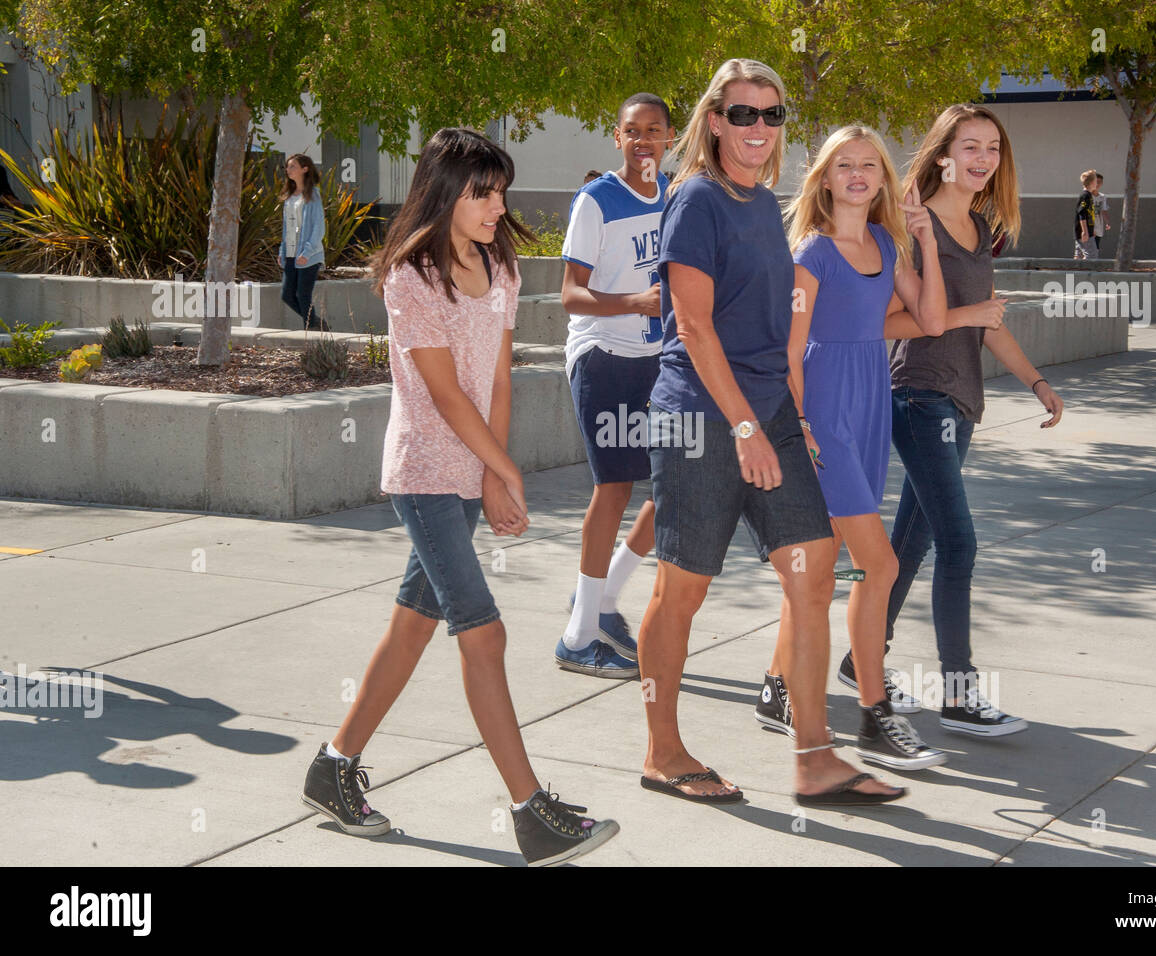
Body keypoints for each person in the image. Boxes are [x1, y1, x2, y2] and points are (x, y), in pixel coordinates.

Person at [300, 128, 618, 866]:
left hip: (468, 473)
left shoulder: (499, 265)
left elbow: (498, 381)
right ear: (445, 193)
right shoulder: (411, 280)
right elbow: (444, 395)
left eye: (500, 191)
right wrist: (501, 471)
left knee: (412, 627)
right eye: (484, 192)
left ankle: (333, 767)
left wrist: (493, 474)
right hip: (422, 475)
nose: (498, 206)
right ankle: (529, 811)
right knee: (484, 632)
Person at [638, 58, 905, 807]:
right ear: (715, 121)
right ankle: (663, 751)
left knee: (814, 568)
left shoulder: (759, 202)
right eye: (743, 114)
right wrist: (746, 425)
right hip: (700, 416)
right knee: (683, 587)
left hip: (767, 413)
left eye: (772, 114)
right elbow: (690, 325)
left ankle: (815, 757)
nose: (759, 128)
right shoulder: (696, 200)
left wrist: (785, 419)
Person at [759, 126, 1006, 771]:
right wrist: (804, 425)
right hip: (825, 416)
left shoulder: (883, 242)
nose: (860, 174)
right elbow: (791, 347)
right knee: (882, 565)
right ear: (824, 176)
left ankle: (775, 686)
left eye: (871, 164)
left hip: (870, 406)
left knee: (825, 562)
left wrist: (923, 238)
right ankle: (875, 714)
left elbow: (925, 321)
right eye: (846, 164)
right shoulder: (811, 253)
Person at [838, 104, 1064, 739]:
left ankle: (861, 660)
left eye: (992, 147)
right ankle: (961, 695)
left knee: (912, 544)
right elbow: (881, 324)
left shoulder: (978, 224)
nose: (983, 157)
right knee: (959, 542)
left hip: (961, 403)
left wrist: (1037, 381)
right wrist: (966, 318)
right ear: (942, 154)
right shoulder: (914, 224)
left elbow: (986, 320)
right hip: (918, 398)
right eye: (970, 146)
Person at [555, 94, 676, 678]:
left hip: (661, 360)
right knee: (615, 489)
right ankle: (577, 639)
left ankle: (601, 599)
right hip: (603, 357)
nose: (643, 140)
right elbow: (570, 294)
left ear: (670, 137)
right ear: (617, 137)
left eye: (654, 130)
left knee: (674, 480)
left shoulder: (677, 197)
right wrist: (635, 301)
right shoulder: (596, 200)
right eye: (633, 131)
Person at [278, 153, 330, 331]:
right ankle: (317, 324)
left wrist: (307, 252)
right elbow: (287, 228)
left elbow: (318, 227)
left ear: (305, 169)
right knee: (287, 295)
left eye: (293, 166)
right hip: (291, 254)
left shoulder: (313, 195)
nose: (288, 170)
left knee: (303, 295)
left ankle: (311, 332)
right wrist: (282, 252)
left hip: (309, 255)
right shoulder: (289, 196)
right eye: (288, 166)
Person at [1073, 169, 1097, 260]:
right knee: (1091, 256)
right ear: (1091, 182)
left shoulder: (1088, 195)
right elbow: (1082, 213)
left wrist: (1092, 229)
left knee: (1078, 257)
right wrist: (1085, 232)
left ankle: (1071, 274)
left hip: (1085, 231)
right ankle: (1086, 274)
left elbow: (1088, 214)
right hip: (1084, 232)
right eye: (1095, 181)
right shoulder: (1085, 195)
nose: (1096, 183)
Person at [1091, 173, 1110, 256]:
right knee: (1086, 250)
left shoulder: (1102, 197)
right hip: (1089, 227)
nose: (1098, 184)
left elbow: (1104, 210)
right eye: (1096, 182)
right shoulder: (1086, 195)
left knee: (1096, 248)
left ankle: (1092, 266)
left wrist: (1107, 222)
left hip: (1099, 227)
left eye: (1100, 182)